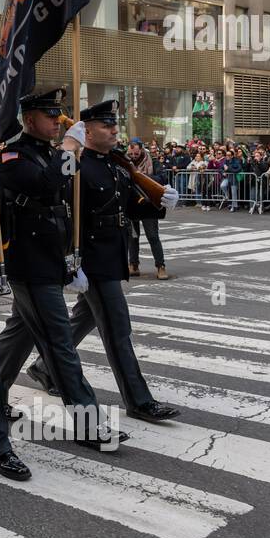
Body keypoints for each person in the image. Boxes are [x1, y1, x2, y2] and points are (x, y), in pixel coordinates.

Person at [26, 101, 181, 422]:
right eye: (106, 126)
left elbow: (125, 206)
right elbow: (63, 213)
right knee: (118, 328)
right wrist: (71, 260)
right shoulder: (77, 164)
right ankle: (139, 400)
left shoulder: (115, 164)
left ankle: (43, 367)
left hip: (112, 254)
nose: (114, 131)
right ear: (86, 131)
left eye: (114, 125)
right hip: (91, 258)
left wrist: (159, 203)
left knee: (85, 317)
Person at [0, 88, 128, 448]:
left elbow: (67, 193)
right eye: (50, 116)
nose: (57, 121)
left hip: (51, 261)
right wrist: (69, 146)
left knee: (13, 342)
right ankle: (89, 424)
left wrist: (72, 259)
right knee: (60, 345)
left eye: (59, 116)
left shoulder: (46, 153)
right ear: (29, 120)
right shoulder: (12, 156)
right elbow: (45, 185)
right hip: (30, 264)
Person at [126, 138, 168, 279]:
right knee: (133, 237)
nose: (133, 156)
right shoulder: (125, 162)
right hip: (131, 203)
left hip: (150, 204)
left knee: (152, 236)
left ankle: (160, 266)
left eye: (136, 154)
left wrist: (143, 177)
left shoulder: (153, 161)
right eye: (131, 154)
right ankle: (133, 264)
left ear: (142, 150)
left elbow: (163, 178)